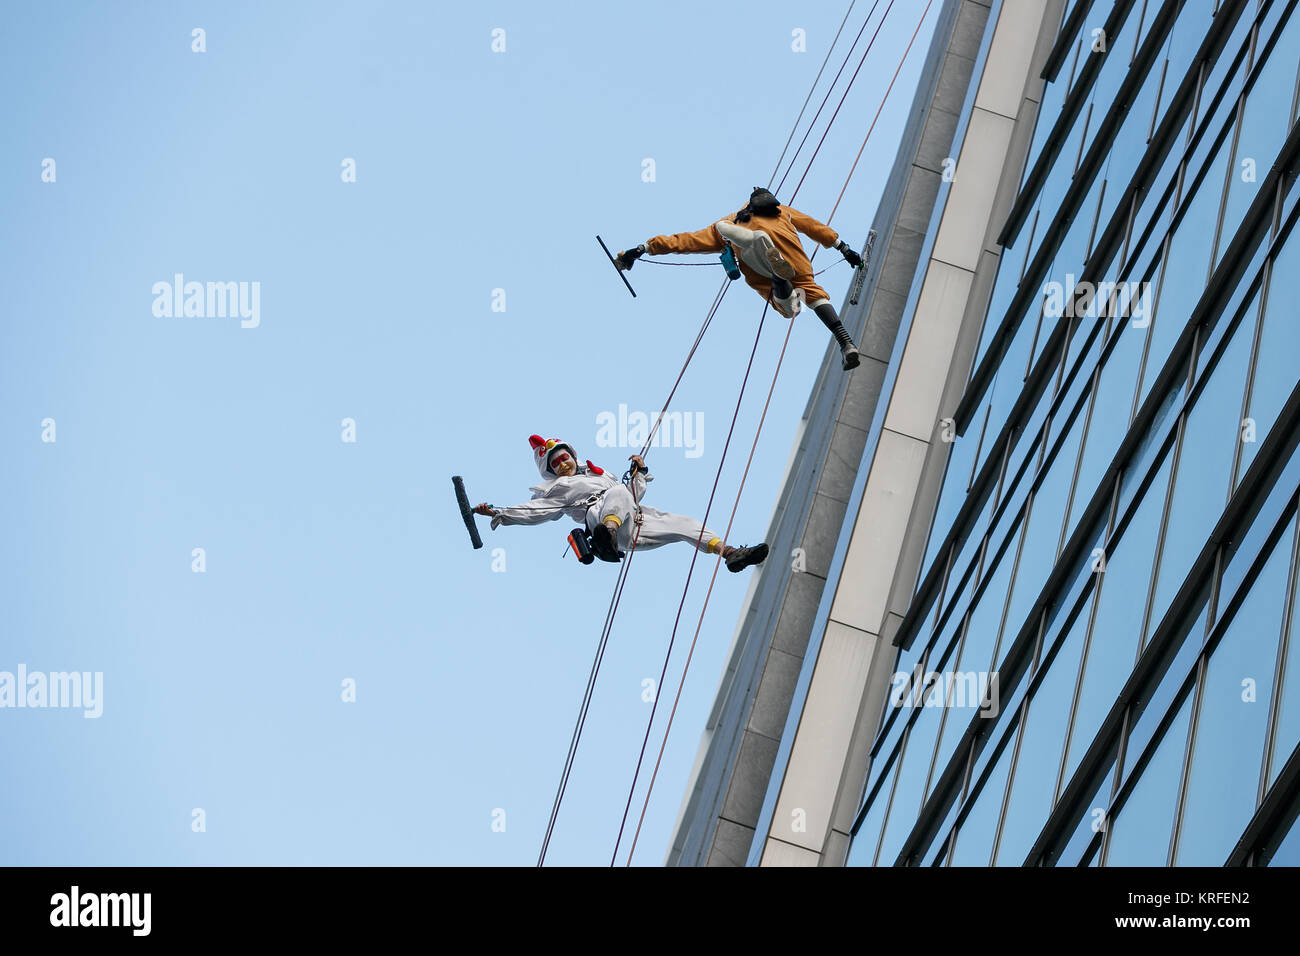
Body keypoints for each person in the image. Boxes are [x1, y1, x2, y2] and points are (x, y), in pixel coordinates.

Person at [615, 186, 864, 370]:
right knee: (809, 295)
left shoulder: (726, 221)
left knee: (789, 309)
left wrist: (642, 249)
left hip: (754, 259)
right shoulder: (782, 212)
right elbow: (815, 228)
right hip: (794, 257)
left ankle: (770, 268)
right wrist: (844, 249)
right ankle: (846, 343)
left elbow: (682, 242)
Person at [473, 435, 768, 572]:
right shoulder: (557, 488)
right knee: (618, 495)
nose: (563, 463)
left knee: (685, 524)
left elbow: (633, 495)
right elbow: (536, 511)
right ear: (550, 470)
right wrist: (500, 512)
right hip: (599, 519)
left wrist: (640, 471)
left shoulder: (604, 475)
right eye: (556, 462)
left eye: (565, 458)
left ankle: (729, 552)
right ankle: (607, 536)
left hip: (635, 521)